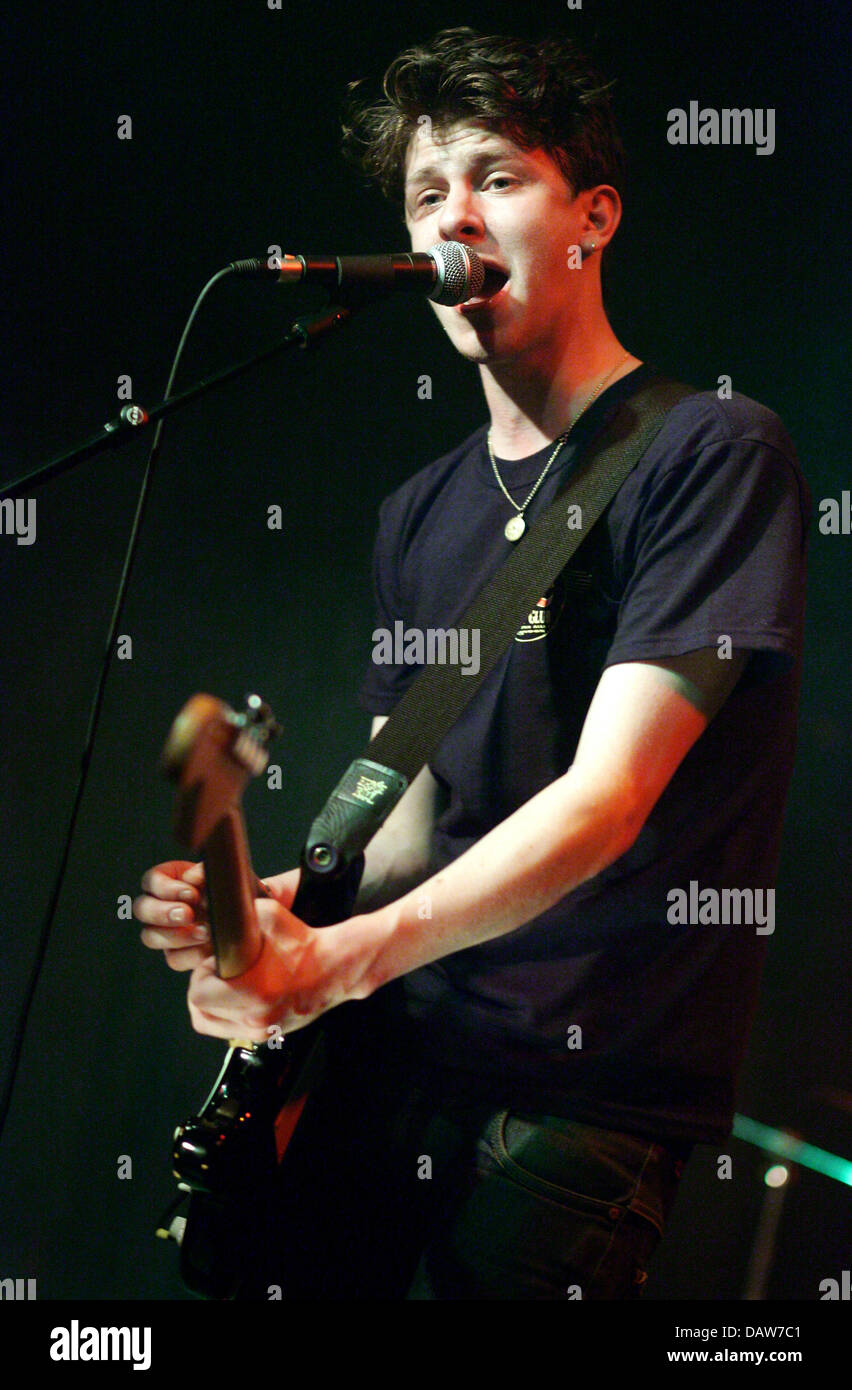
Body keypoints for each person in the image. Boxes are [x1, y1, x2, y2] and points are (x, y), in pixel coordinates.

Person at [133, 28, 810, 1299]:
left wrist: (345, 958)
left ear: (593, 216)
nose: (455, 215)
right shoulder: (418, 513)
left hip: (573, 1101)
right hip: (400, 1065)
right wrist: (277, 903)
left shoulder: (710, 451)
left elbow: (606, 800)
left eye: (496, 176)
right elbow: (408, 830)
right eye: (426, 194)